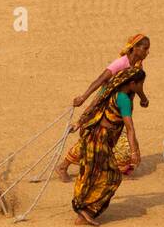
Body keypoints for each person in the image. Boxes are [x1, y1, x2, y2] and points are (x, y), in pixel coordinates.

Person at [56, 34, 150, 183]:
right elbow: (100, 80)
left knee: (119, 143)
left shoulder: (138, 65)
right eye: (145, 49)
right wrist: (83, 97)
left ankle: (106, 170)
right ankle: (63, 166)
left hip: (122, 107)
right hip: (106, 105)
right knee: (95, 138)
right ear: (135, 48)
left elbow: (137, 85)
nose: (147, 52)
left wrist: (143, 99)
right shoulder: (121, 62)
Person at [69, 67, 146, 225]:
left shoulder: (109, 90)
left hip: (93, 136)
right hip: (100, 140)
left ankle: (83, 213)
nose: (141, 89)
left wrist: (79, 122)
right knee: (113, 177)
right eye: (140, 85)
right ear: (132, 83)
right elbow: (130, 128)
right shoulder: (124, 99)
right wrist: (133, 153)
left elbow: (93, 106)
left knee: (90, 173)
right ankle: (86, 209)